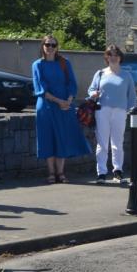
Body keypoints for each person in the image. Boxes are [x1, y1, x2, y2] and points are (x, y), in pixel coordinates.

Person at [32, 36, 90, 182]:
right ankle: (51, 173)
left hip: (65, 106)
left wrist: (69, 100)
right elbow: (40, 88)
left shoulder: (64, 63)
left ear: (57, 47)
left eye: (53, 45)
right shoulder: (37, 65)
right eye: (47, 44)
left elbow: (72, 83)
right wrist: (58, 101)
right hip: (46, 106)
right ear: (42, 46)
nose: (50, 47)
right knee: (48, 138)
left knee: (62, 138)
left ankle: (61, 172)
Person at [88, 45, 137, 185]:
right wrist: (93, 94)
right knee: (102, 143)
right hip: (102, 109)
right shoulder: (100, 74)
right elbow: (91, 89)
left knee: (117, 143)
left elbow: (132, 96)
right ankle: (101, 173)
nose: (113, 57)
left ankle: (118, 172)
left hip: (120, 111)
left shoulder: (126, 75)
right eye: (110, 54)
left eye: (116, 55)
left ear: (120, 57)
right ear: (107, 57)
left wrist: (133, 110)